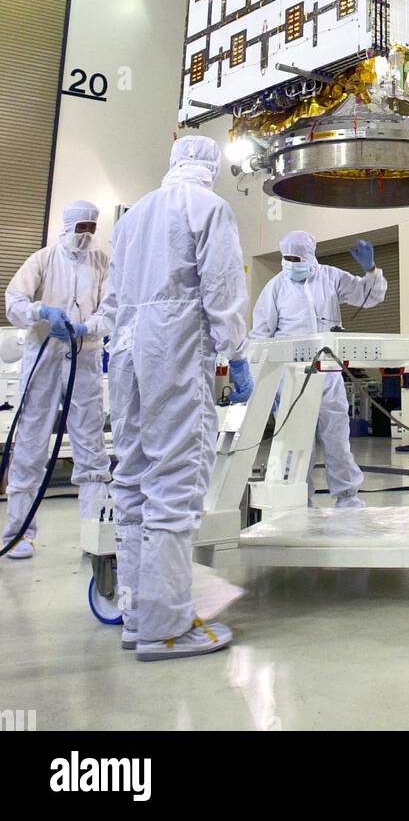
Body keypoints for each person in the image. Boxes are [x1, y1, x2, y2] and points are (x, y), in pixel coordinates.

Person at [99, 136, 252, 661]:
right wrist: (237, 350)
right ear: (211, 167)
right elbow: (223, 286)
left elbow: (113, 298)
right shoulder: (209, 208)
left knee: (134, 479)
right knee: (175, 481)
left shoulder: (133, 216)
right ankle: (167, 629)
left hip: (125, 350)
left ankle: (138, 616)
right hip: (176, 346)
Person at [2, 201, 112, 559]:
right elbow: (14, 300)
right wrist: (40, 312)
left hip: (85, 355)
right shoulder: (43, 259)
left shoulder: (102, 262)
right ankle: (18, 533)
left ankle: (95, 533)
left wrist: (88, 326)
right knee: (32, 440)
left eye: (92, 228)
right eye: (81, 227)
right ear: (67, 225)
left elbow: (113, 307)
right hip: (44, 354)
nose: (86, 235)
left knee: (91, 445)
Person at [251, 231, 387, 510]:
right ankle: (297, 499)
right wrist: (262, 380)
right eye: (286, 258)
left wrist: (370, 269)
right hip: (290, 376)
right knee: (294, 440)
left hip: (327, 371)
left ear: (310, 257)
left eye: (296, 258)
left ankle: (347, 497)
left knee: (336, 435)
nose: (290, 263)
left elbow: (368, 295)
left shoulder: (329, 277)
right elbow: (260, 335)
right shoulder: (276, 287)